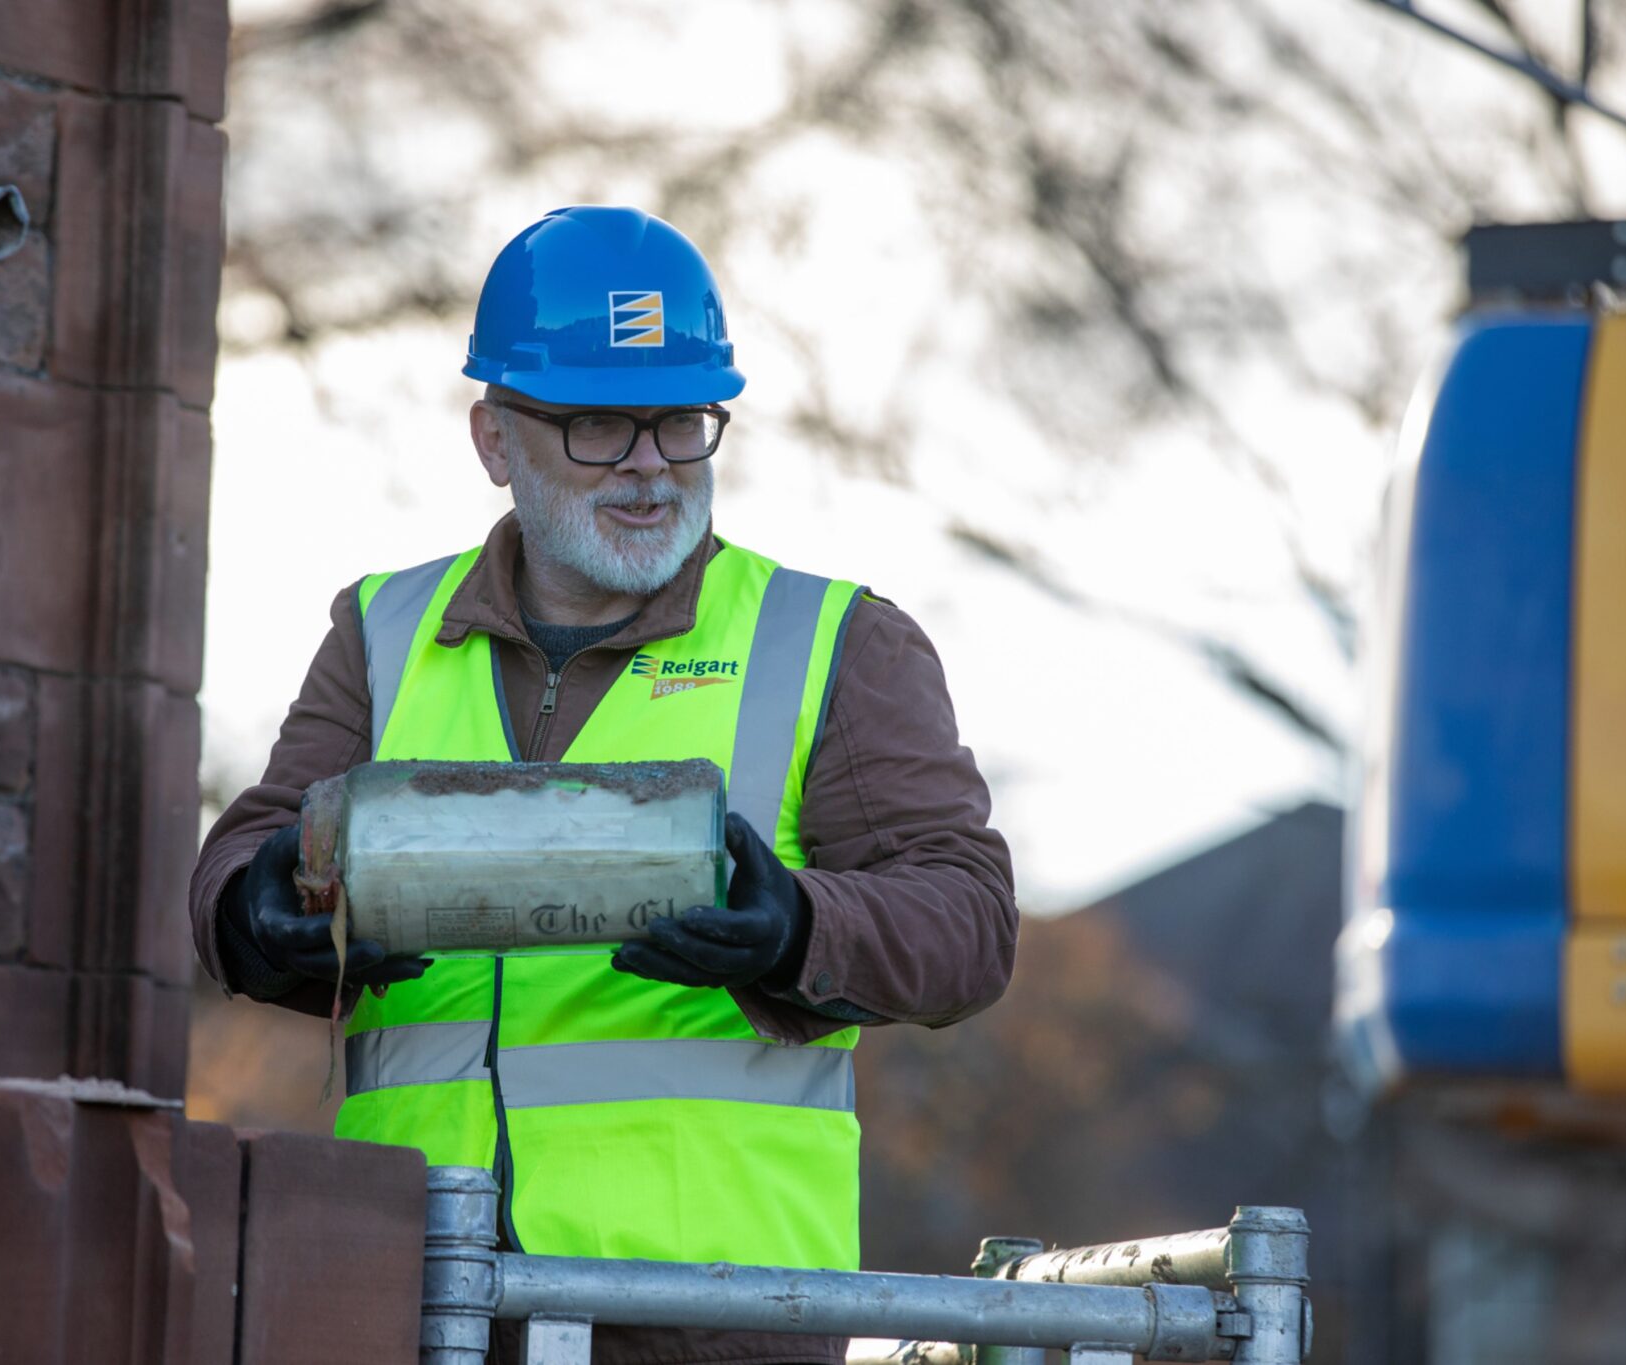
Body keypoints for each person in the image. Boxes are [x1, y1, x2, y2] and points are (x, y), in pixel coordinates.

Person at [189, 205, 1018, 1365]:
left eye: (681, 422)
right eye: (596, 426)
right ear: (493, 440)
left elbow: (968, 920)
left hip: (712, 1319)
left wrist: (795, 926)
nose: (648, 466)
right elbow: (241, 860)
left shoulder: (835, 640)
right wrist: (262, 913)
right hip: (410, 1301)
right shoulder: (380, 629)